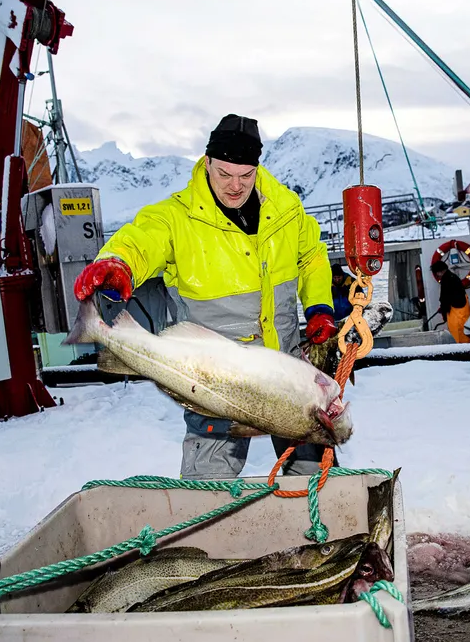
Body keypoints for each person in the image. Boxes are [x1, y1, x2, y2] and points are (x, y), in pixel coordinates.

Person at [73, 114, 337, 480]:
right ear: (207, 162)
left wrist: (319, 307)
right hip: (211, 373)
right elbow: (142, 239)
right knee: (207, 488)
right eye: (224, 173)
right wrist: (119, 262)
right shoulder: (177, 216)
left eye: (245, 176)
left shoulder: (286, 209)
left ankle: (318, 532)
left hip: (286, 365)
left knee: (316, 476)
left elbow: (311, 256)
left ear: (257, 168)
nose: (235, 186)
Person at [430, 260, 470, 344]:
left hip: (457, 311)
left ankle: (463, 352)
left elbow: (445, 298)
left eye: (437, 273)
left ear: (440, 271)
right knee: (464, 332)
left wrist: (444, 311)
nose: (437, 275)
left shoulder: (446, 280)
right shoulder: (453, 277)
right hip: (462, 309)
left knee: (458, 332)